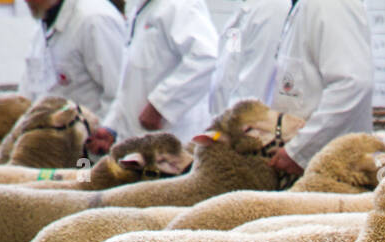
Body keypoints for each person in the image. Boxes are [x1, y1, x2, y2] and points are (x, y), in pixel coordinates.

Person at [88, 0, 219, 154]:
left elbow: (206, 58)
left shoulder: (182, 5)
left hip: (171, 144)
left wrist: (161, 105)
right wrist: (111, 127)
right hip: (137, 141)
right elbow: (131, 81)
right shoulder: (141, 9)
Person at [267, 0, 375, 178]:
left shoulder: (331, 4)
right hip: (309, 164)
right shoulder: (303, 6)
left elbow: (352, 85)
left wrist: (300, 151)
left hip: (331, 166)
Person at [19, 0, 126, 118]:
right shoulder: (43, 25)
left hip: (91, 130)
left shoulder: (95, 19)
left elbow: (120, 94)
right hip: (50, 130)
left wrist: (101, 131)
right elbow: (28, 93)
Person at [209, 0, 291, 115]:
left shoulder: (271, 8)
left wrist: (231, 126)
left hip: (240, 123)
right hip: (225, 119)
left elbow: (255, 86)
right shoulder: (248, 7)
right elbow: (229, 66)